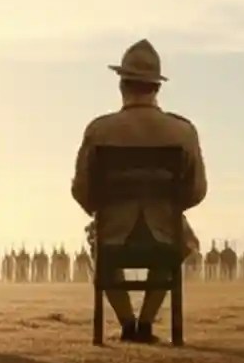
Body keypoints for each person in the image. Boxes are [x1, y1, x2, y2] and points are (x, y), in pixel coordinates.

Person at [71, 39, 207, 343]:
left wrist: (100, 210)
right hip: (165, 230)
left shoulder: (100, 129)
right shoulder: (182, 130)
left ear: (122, 84)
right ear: (157, 87)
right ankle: (145, 323)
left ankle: (127, 323)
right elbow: (197, 189)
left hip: (113, 231)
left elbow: (81, 188)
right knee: (173, 247)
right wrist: (173, 208)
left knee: (99, 246)